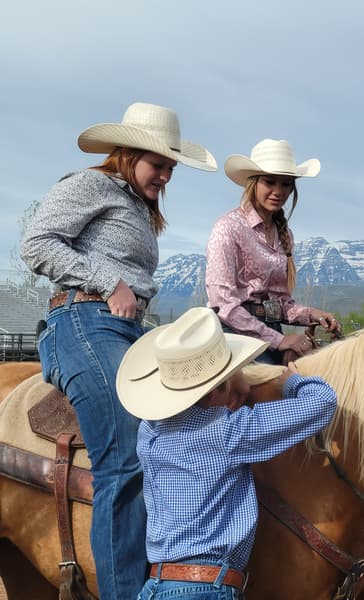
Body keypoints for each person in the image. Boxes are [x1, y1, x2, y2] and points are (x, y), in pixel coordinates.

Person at [20, 101, 217, 598]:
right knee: (126, 454)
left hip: (124, 328)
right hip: (82, 320)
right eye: (160, 164)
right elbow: (37, 243)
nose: (167, 176)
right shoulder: (90, 185)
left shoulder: (137, 207)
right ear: (128, 154)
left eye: (173, 167)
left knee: (190, 428)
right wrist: (110, 282)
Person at [116, 306, 337, 599]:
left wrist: (229, 382)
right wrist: (290, 379)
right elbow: (322, 402)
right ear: (211, 392)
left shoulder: (149, 431)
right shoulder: (227, 432)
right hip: (206, 589)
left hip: (157, 585)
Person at [205, 138, 341, 365]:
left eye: (286, 184)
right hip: (234, 335)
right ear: (254, 183)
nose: (279, 192)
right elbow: (223, 303)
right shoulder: (228, 227)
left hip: (271, 331)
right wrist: (279, 340)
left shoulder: (283, 234)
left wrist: (313, 314)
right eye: (270, 182)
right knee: (272, 384)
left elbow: (281, 303)